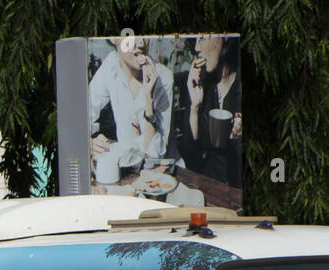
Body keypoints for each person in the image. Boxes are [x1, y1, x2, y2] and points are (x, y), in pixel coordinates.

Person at [89, 37, 173, 166]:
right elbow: (84, 114)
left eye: (145, 36)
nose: (141, 43)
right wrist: (89, 142)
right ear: (114, 39)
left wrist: (148, 97)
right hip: (128, 169)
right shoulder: (111, 65)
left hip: (164, 172)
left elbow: (154, 156)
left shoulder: (164, 77)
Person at [177, 35, 242, 189]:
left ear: (225, 37)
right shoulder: (200, 84)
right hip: (208, 188)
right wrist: (194, 107)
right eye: (196, 40)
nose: (196, 48)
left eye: (203, 38)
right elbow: (190, 160)